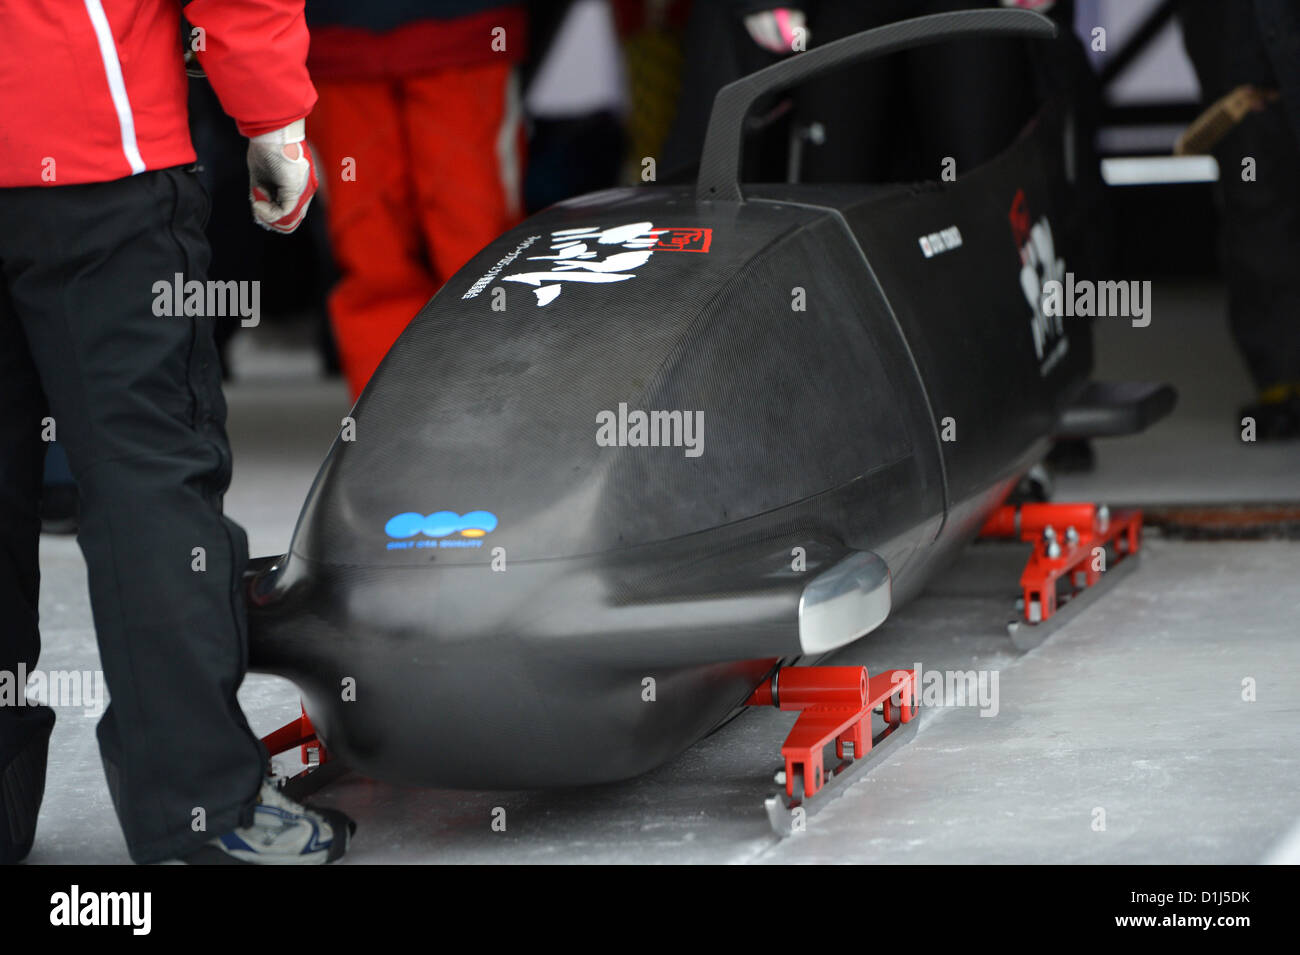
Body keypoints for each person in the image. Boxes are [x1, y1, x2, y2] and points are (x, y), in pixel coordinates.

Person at [0, 0, 352, 864]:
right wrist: (271, 114)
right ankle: (198, 802)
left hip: (83, 137)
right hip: (92, 149)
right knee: (147, 474)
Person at [304, 0, 529, 399]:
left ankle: (492, 411)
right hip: (340, 49)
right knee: (374, 256)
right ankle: (388, 425)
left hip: (462, 38)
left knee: (482, 255)